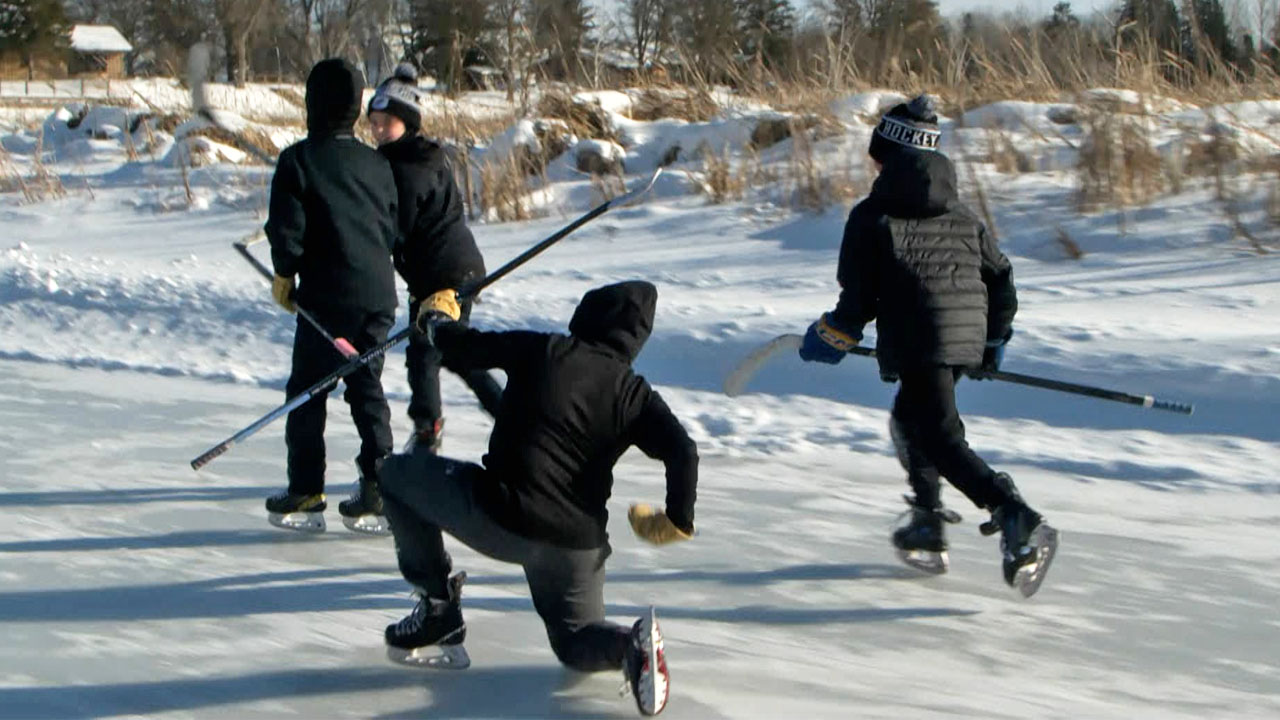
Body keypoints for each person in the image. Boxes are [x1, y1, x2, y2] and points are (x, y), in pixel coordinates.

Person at [378, 280, 697, 716]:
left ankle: (437, 609)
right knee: (575, 641)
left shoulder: (546, 349)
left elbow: (465, 349)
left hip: (503, 515)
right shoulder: (634, 393)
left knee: (393, 475)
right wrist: (677, 519)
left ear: (589, 314)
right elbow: (683, 451)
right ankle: (629, 647)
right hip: (576, 548)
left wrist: (436, 320)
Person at [797, 94, 1057, 594]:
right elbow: (1000, 278)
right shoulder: (962, 214)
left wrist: (829, 338)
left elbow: (857, 304)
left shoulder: (872, 216)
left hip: (922, 338)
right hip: (962, 333)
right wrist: (992, 340)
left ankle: (1016, 518)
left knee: (939, 436)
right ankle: (926, 522)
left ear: (884, 155)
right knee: (912, 421)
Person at [262, 58, 400, 534]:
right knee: (366, 388)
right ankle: (379, 488)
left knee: (307, 392)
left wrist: (284, 275)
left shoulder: (298, 160)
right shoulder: (377, 162)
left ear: (312, 103)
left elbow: (287, 232)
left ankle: (306, 490)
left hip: (326, 298)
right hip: (378, 294)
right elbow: (390, 226)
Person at [365, 64, 503, 455]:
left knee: (427, 353)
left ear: (406, 123)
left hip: (448, 275)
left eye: (386, 123)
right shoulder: (409, 155)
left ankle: (429, 431)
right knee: (446, 353)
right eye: (373, 122)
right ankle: (507, 417)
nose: (377, 130)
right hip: (435, 274)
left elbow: (395, 228)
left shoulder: (411, 169)